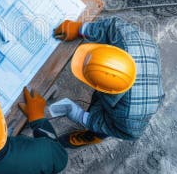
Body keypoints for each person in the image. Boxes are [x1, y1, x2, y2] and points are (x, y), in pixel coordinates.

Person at [50, 17, 163, 148]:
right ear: (113, 51)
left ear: (105, 90)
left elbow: (121, 130)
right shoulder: (130, 41)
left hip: (131, 108)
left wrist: (81, 116)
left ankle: (92, 136)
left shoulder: (130, 119)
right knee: (98, 106)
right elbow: (111, 26)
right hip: (136, 86)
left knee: (101, 125)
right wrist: (80, 28)